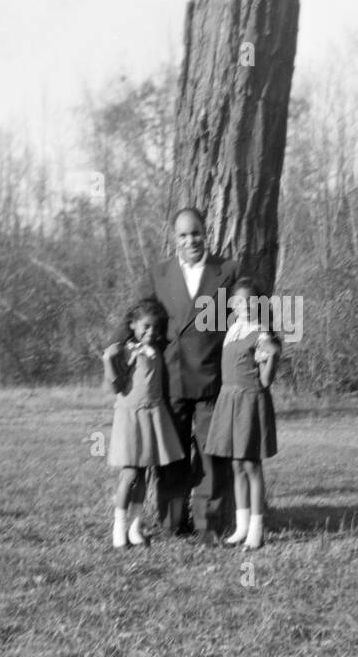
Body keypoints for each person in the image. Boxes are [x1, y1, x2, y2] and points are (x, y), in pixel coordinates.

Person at [105, 207, 238, 541]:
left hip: (212, 379)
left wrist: (268, 341)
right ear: (174, 238)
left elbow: (254, 313)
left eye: (196, 233)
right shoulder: (157, 274)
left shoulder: (228, 270)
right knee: (171, 455)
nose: (191, 240)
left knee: (213, 454)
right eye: (183, 235)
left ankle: (210, 524)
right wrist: (114, 345)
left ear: (205, 233)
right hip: (170, 380)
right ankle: (173, 523)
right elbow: (135, 316)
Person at [205, 277, 281, 549]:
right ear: (232, 305)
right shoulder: (232, 329)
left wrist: (271, 356)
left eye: (250, 301)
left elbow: (265, 380)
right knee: (236, 465)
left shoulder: (261, 334)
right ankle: (242, 527)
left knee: (251, 465)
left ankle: (257, 530)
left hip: (250, 401)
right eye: (239, 301)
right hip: (229, 400)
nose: (245, 306)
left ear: (259, 304)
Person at [103, 298, 185, 549]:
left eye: (155, 328)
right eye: (145, 327)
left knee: (144, 472)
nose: (150, 332)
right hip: (130, 417)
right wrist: (108, 360)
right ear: (133, 325)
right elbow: (116, 385)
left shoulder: (156, 351)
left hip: (152, 414)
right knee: (129, 474)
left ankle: (136, 527)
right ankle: (119, 528)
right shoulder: (126, 351)